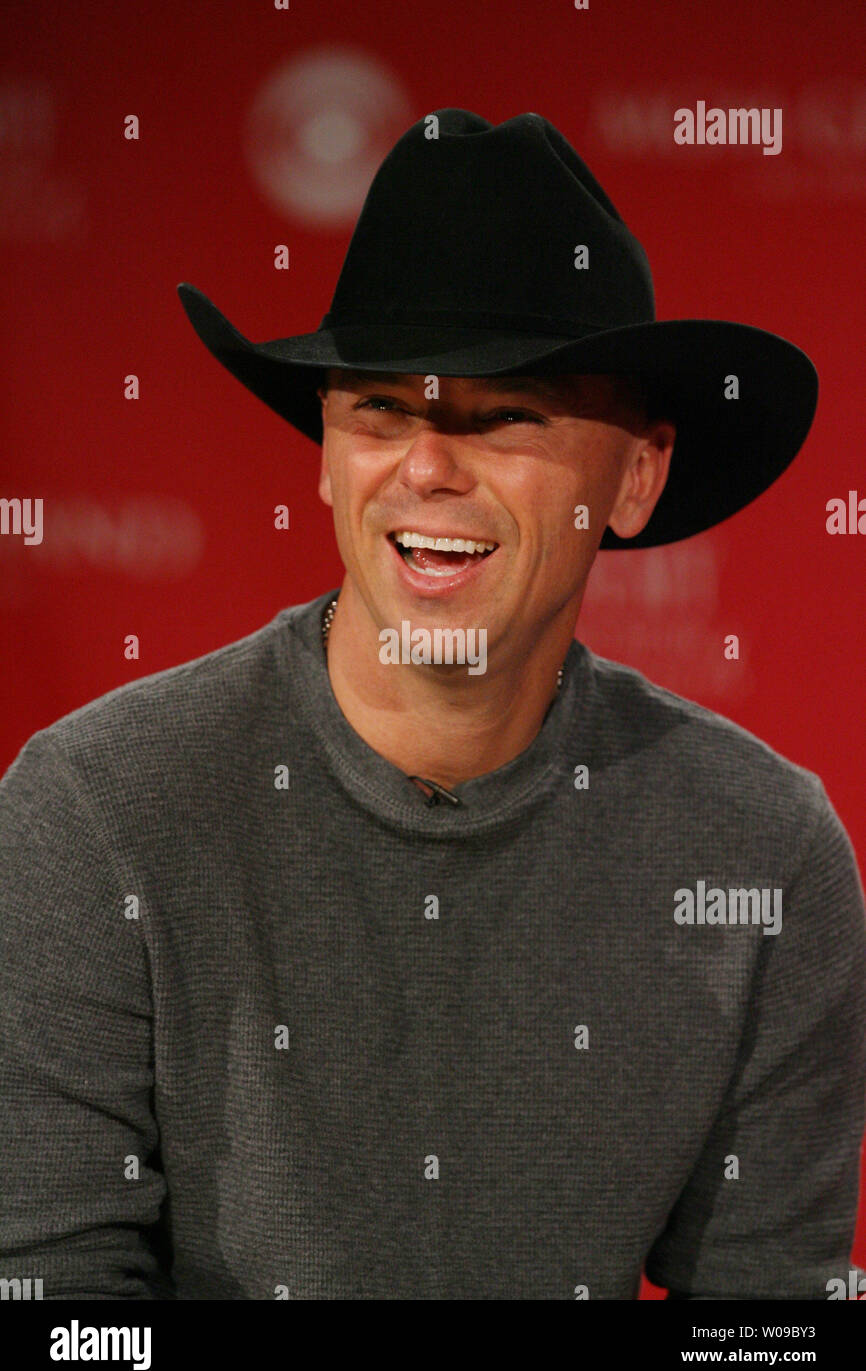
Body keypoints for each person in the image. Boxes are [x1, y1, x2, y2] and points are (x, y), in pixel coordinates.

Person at [1, 108, 864, 1301]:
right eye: (382, 411)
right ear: (323, 454)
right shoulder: (94, 810)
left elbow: (767, 1325)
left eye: (505, 414)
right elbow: (54, 1315)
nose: (425, 466)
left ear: (637, 476)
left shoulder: (765, 854)